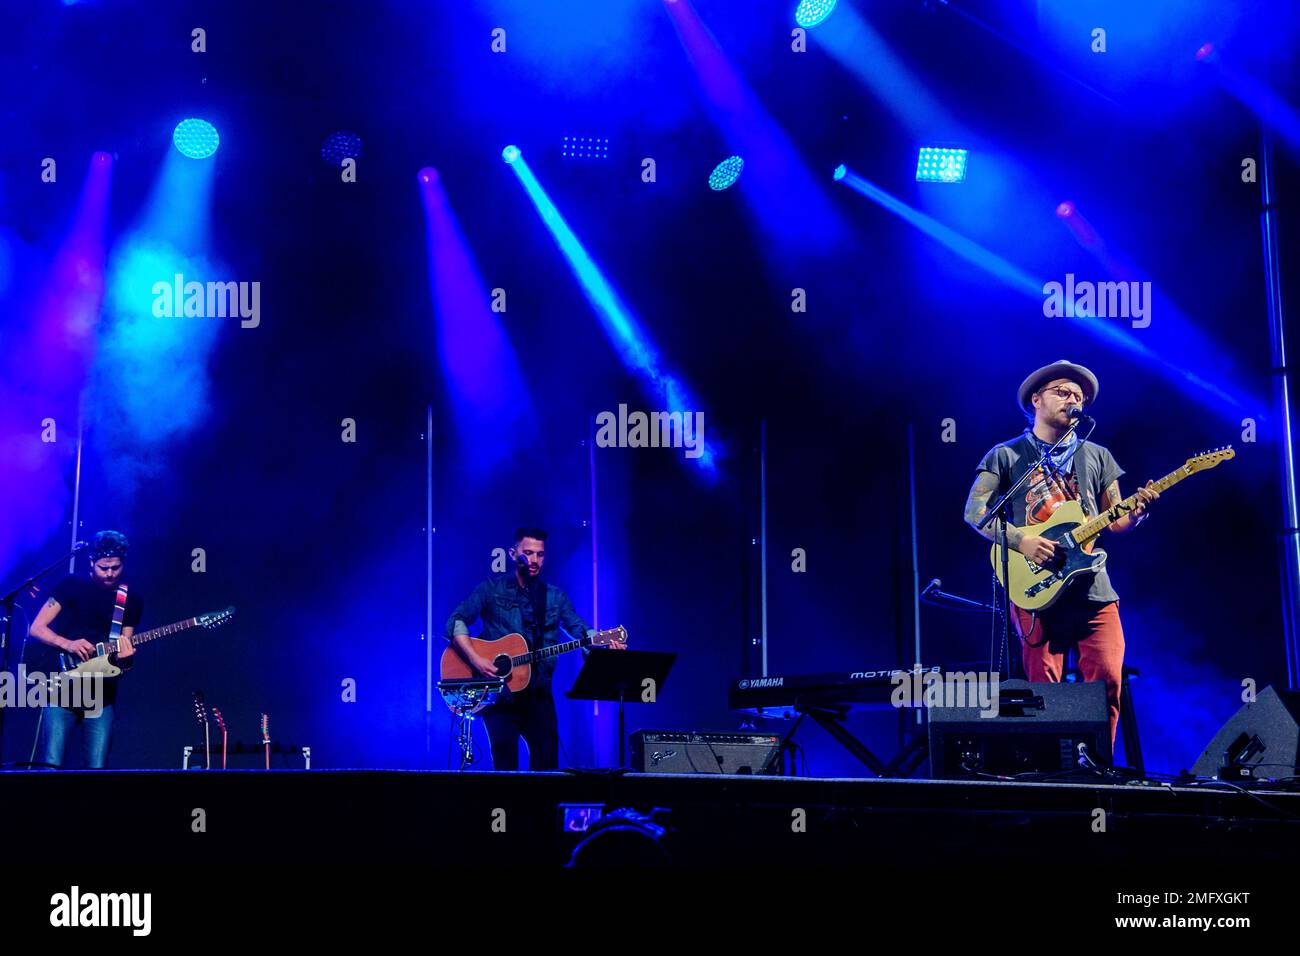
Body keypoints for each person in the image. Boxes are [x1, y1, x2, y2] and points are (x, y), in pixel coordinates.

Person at [963, 360, 1158, 746]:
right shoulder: (1006, 455)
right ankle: (1051, 775)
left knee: (1108, 678)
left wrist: (1135, 515)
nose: (1073, 400)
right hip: (1036, 585)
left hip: (1091, 586)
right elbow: (975, 512)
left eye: (1079, 397)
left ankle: (1098, 768)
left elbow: (1113, 520)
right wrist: (1023, 542)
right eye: (1063, 392)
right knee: (1043, 691)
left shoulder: (1098, 456)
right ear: (1036, 399)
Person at [445, 526, 623, 770]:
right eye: (528, 553)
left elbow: (579, 628)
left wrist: (599, 642)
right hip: (499, 698)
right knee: (506, 766)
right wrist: (476, 660)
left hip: (539, 697)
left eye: (540, 554)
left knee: (547, 767)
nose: (534, 560)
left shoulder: (554, 597)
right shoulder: (490, 589)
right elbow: (456, 621)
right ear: (512, 553)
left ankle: (541, 809)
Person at [28, 530, 142, 769]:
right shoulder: (71, 585)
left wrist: (127, 660)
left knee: (97, 770)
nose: (110, 573)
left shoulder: (131, 599)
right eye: (103, 567)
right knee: (50, 766)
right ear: (91, 562)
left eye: (116, 567)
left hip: (101, 696)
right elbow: (37, 628)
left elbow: (122, 659)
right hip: (61, 691)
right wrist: (68, 643)